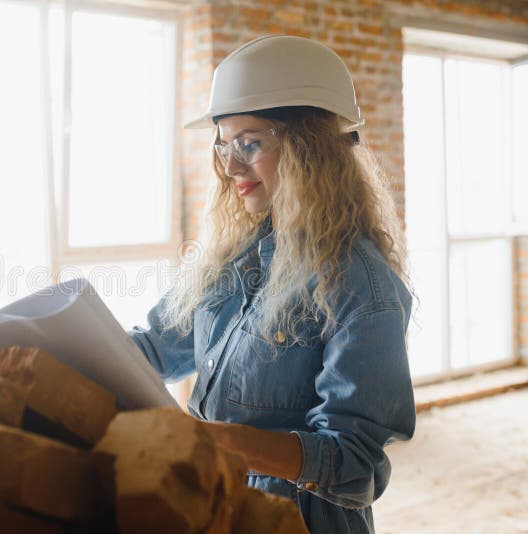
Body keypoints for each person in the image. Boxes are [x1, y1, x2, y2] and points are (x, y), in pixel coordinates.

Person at [128, 35, 416, 534]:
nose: (229, 167)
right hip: (217, 511)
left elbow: (355, 464)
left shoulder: (361, 286)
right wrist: (53, 345)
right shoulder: (233, 257)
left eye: (249, 143)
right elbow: (155, 347)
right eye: (224, 145)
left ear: (310, 147)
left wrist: (222, 443)